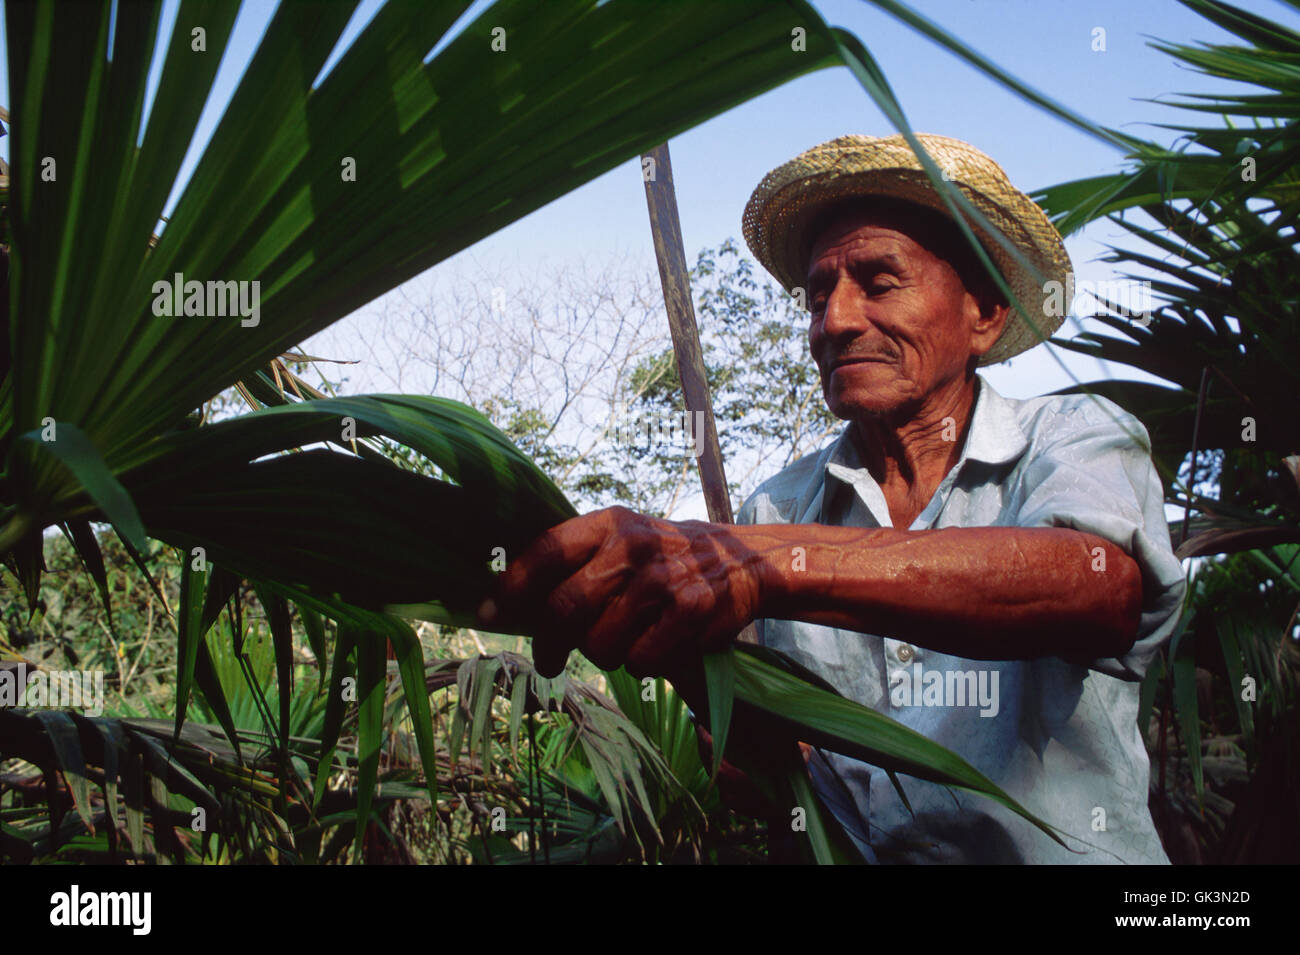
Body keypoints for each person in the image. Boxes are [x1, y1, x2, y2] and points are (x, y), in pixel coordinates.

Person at [477, 133, 1185, 863]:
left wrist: (763, 565)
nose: (835, 321)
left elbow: (1097, 591)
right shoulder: (775, 507)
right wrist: (715, 699)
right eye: (818, 296)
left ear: (985, 312)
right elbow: (778, 775)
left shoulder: (1072, 436)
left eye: (878, 281)